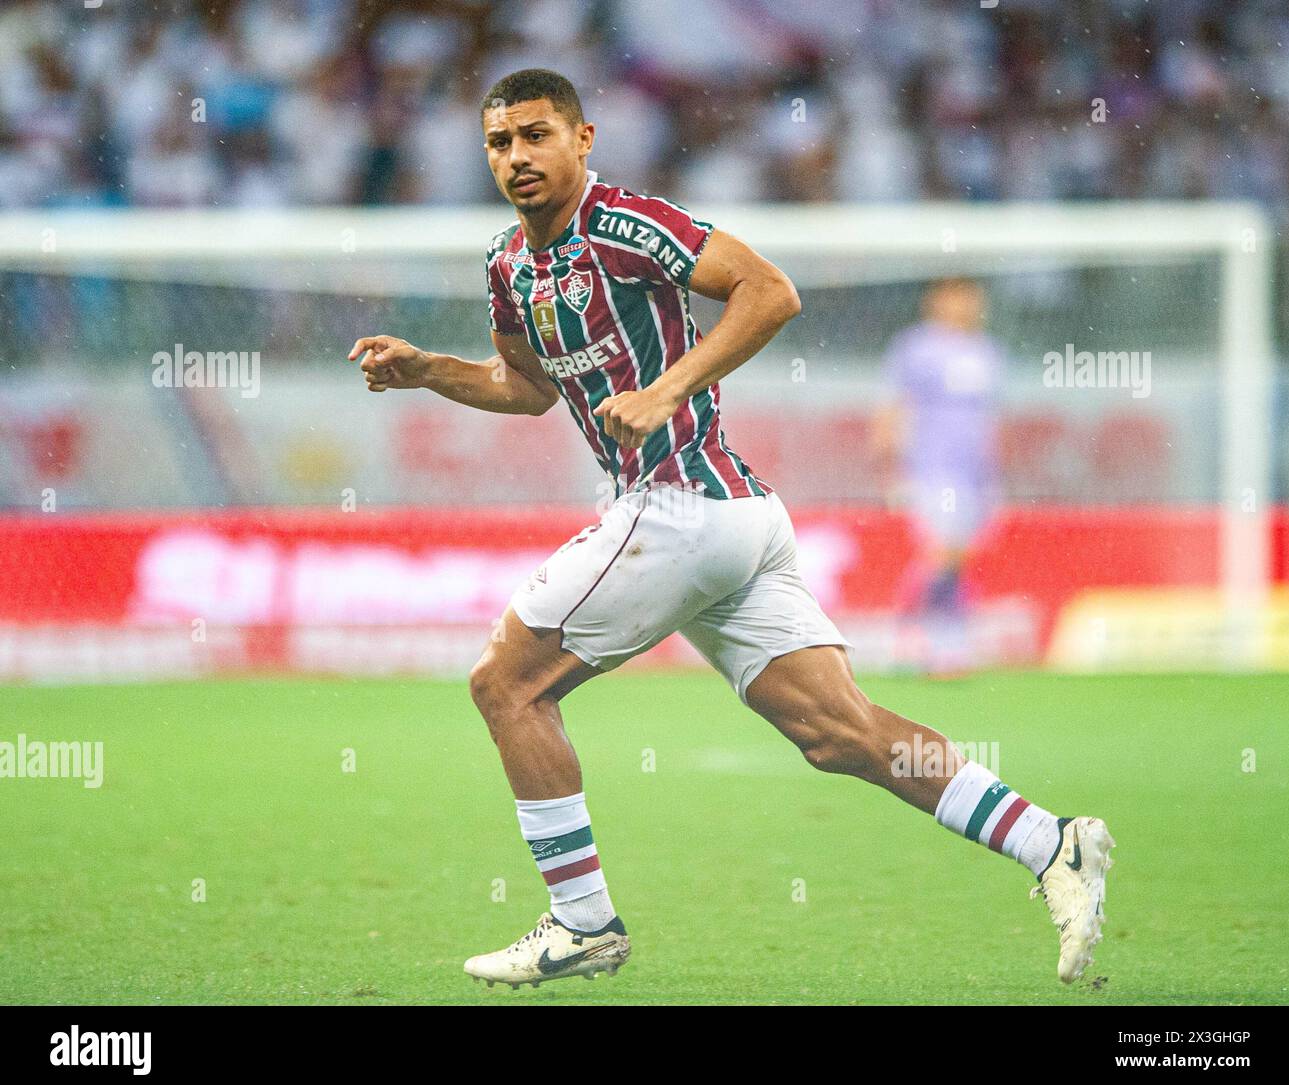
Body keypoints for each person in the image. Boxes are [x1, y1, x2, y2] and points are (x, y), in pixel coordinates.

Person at [347, 69, 1113, 990]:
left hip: (679, 504)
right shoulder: (509, 267)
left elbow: (770, 291)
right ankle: (1052, 841)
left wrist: (669, 386)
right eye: (500, 142)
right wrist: (429, 368)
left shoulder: (626, 224)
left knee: (505, 684)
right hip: (734, 520)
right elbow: (527, 388)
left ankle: (582, 923)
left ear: (582, 139)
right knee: (841, 732)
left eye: (537, 135)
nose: (518, 157)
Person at [874, 278, 1005, 673]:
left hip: (975, 474)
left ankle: (947, 646)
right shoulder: (917, 347)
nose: (966, 305)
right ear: (937, 302)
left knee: (958, 558)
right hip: (931, 468)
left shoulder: (988, 352)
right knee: (940, 553)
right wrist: (892, 465)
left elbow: (990, 419)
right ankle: (907, 633)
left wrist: (994, 473)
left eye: (972, 297)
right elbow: (894, 406)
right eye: (957, 297)